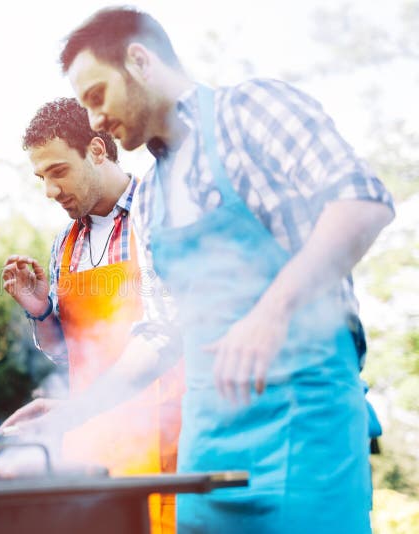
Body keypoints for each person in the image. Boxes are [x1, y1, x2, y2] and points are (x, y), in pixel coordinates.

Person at [50, 6, 395, 533]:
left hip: (305, 423)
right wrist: (73, 411)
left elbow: (362, 202)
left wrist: (271, 311)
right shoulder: (148, 200)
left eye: (97, 95)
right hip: (208, 442)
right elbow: (163, 329)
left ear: (139, 61)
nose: (94, 120)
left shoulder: (252, 110)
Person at [1, 97, 184, 534]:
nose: (49, 190)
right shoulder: (65, 243)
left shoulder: (155, 214)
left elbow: (172, 333)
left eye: (58, 171)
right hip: (91, 444)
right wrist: (41, 311)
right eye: (41, 177)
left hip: (164, 440)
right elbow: (70, 356)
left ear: (98, 151)